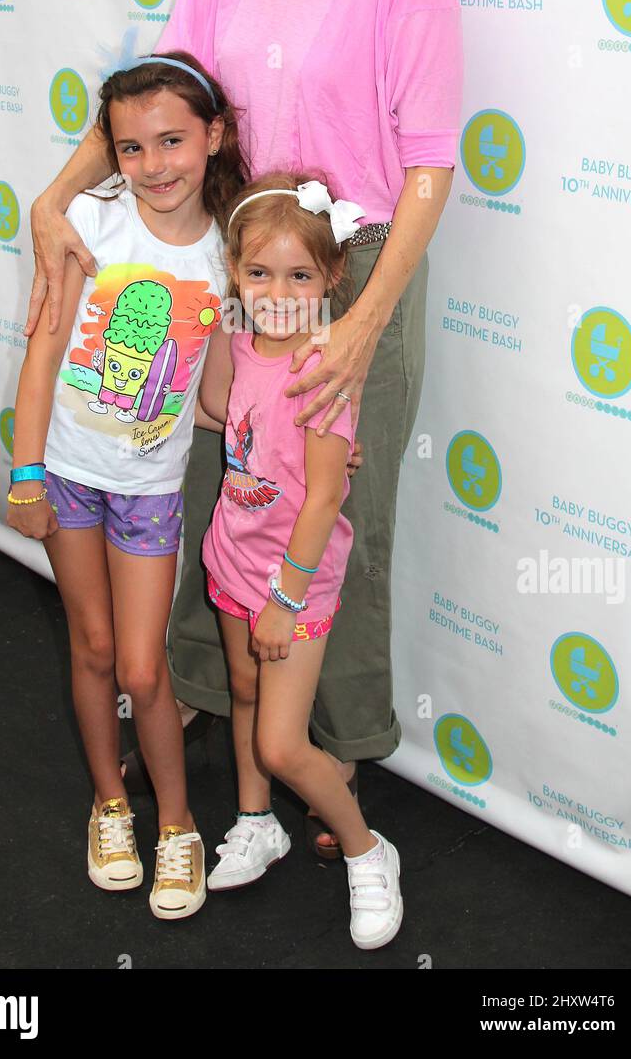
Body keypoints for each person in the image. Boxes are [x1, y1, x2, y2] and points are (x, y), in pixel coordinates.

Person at [26, 0, 463, 855]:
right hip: (238, 257)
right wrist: (55, 197)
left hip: (351, 270)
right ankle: (214, 716)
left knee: (335, 513)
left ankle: (339, 757)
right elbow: (158, 97)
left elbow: (429, 163)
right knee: (217, 486)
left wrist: (364, 322)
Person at [7, 50, 244, 918]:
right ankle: (111, 804)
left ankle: (176, 824)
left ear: (213, 136)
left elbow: (215, 392)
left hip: (148, 492)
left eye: (174, 141)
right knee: (94, 650)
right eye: (133, 147)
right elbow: (43, 351)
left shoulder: (230, 250)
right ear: (110, 150)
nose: (155, 166)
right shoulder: (89, 222)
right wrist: (28, 473)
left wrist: (295, 442)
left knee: (145, 670)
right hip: (68, 477)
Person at [198, 170, 403, 950]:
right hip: (233, 561)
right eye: (257, 273)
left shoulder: (324, 366)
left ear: (331, 278)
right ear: (235, 274)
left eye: (297, 275)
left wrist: (284, 597)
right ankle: (259, 824)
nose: (276, 292)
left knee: (283, 743)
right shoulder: (244, 338)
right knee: (245, 695)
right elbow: (220, 407)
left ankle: (366, 848)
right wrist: (224, 325)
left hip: (295, 583)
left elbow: (321, 502)